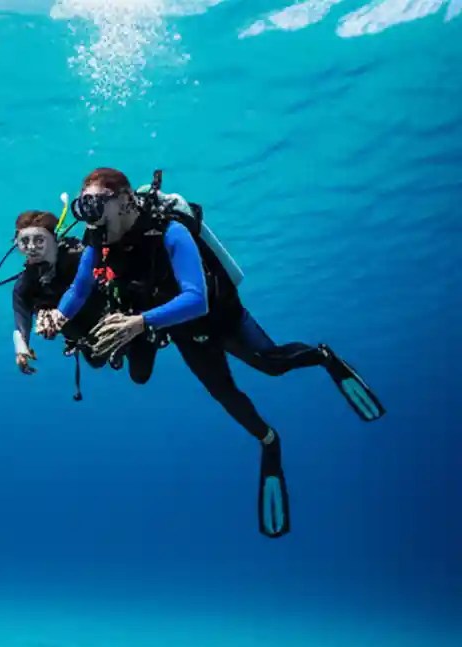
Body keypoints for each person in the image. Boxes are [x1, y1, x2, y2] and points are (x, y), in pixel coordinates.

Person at [39, 167, 385, 538]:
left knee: (270, 364)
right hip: (183, 331)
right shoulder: (97, 239)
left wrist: (139, 323)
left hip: (221, 317)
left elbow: (196, 298)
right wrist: (57, 317)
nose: (91, 220)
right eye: (83, 209)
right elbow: (77, 290)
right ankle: (269, 442)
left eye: (95, 207)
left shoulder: (169, 230)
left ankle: (324, 357)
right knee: (224, 395)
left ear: (124, 200)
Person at [7, 209, 160, 396]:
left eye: (39, 241)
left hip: (118, 317)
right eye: (24, 242)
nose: (31, 248)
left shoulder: (79, 256)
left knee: (140, 375)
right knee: (97, 361)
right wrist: (20, 348)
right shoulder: (26, 284)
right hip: (86, 335)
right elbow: (20, 317)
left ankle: (149, 327)